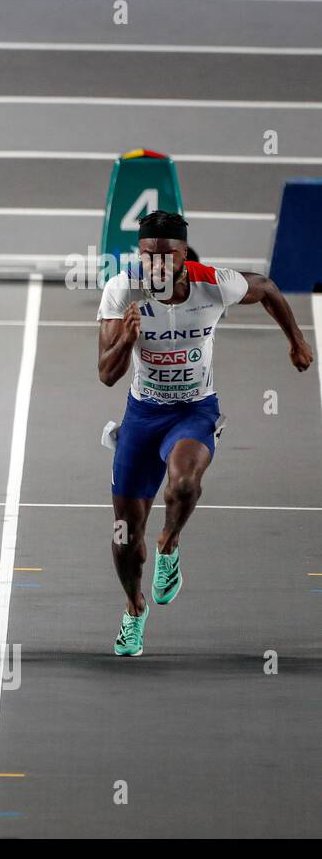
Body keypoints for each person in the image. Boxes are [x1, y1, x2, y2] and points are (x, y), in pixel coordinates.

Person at [97, 210, 313, 656]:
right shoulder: (123, 289)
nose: (155, 264)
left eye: (166, 255)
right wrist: (126, 338)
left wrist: (296, 339)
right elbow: (105, 374)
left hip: (194, 410)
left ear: (183, 256)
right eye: (147, 255)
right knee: (123, 537)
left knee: (185, 483)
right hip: (142, 415)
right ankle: (134, 610)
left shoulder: (214, 283)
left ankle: (169, 543)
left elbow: (269, 288)